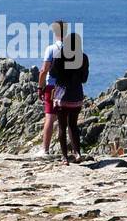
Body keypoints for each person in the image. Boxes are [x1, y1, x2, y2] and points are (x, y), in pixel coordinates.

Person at [51, 31, 90, 163]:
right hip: (76, 96)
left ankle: (64, 157)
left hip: (62, 96)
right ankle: (77, 152)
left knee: (62, 126)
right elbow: (84, 79)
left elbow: (53, 74)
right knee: (73, 125)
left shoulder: (59, 56)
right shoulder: (83, 58)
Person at [38, 21, 70, 156]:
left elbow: (44, 70)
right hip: (68, 86)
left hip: (52, 87)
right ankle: (71, 150)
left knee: (50, 117)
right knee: (68, 118)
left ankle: (45, 149)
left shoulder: (51, 49)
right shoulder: (72, 49)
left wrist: (40, 87)